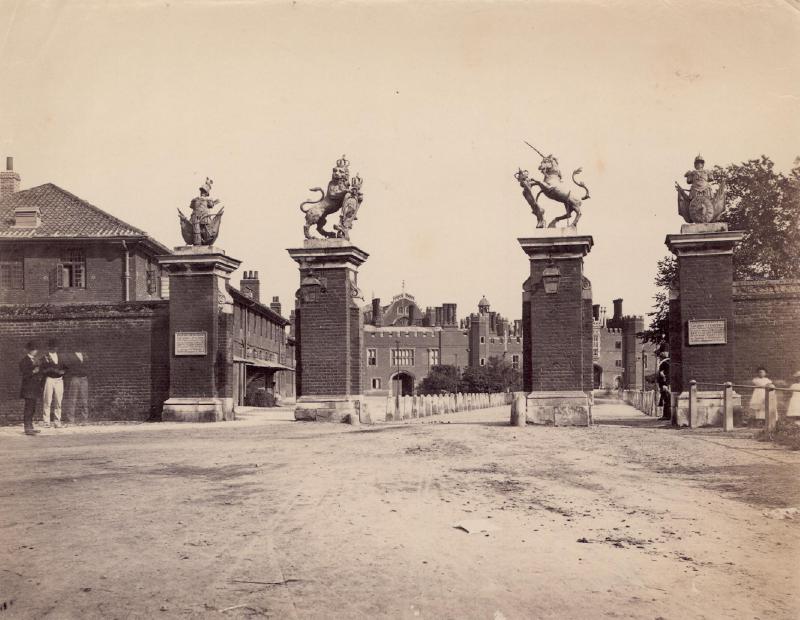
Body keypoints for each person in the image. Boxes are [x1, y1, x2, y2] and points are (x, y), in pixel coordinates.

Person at [41, 339, 68, 428]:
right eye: (53, 346)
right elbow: (43, 370)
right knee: (47, 400)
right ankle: (46, 422)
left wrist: (63, 372)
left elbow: (66, 368)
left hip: (59, 380)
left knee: (58, 401)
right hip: (50, 379)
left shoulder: (60, 357)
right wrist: (51, 370)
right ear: (49, 347)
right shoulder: (45, 357)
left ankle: (57, 421)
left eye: (56, 346)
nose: (55, 348)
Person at [19, 341, 42, 435]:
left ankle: (31, 427)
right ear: (30, 350)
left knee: (32, 408)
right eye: (34, 349)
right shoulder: (24, 361)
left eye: (36, 349)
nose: (35, 351)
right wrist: (34, 371)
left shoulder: (35, 360)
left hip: (34, 388)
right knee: (28, 408)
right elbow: (25, 375)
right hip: (28, 389)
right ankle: (27, 428)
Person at [63, 350, 90, 423]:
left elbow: (88, 366)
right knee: (72, 399)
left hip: (84, 378)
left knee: (84, 399)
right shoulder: (71, 356)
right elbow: (68, 367)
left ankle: (84, 418)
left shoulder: (85, 355)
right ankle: (70, 418)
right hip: (75, 378)